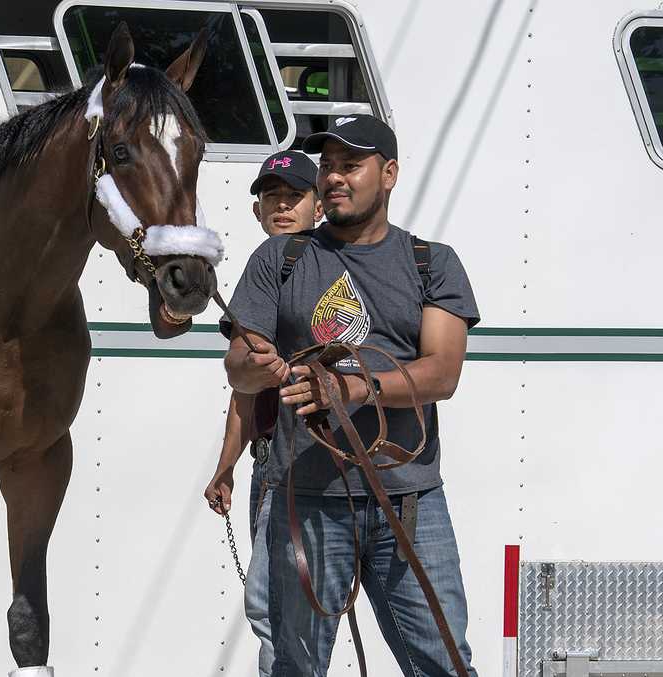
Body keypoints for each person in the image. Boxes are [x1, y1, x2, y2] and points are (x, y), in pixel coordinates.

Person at [223, 115, 480, 676]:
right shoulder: (280, 258)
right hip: (307, 501)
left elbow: (442, 374)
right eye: (329, 166)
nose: (335, 177)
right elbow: (239, 373)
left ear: (388, 174)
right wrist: (253, 365)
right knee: (297, 665)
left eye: (351, 165)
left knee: (443, 661)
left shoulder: (431, 262)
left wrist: (354, 388)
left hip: (410, 503)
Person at [204, 150, 321, 676]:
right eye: (271, 197)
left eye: (294, 196)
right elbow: (243, 396)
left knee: (280, 608)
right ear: (256, 211)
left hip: (321, 469)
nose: (281, 206)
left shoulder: (327, 265)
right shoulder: (264, 272)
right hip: (271, 466)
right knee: (275, 607)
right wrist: (227, 466)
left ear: (318, 205)